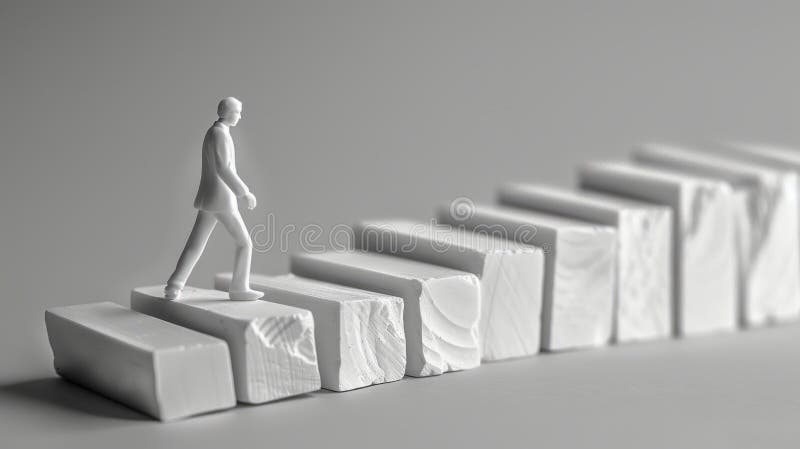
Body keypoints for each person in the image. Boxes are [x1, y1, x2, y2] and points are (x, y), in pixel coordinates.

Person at [164, 97, 264, 301]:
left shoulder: (215, 132)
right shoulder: (220, 134)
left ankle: (174, 286)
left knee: (195, 244)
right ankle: (238, 288)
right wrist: (244, 192)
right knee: (244, 243)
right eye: (237, 112)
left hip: (210, 198)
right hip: (222, 198)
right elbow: (223, 168)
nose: (240, 116)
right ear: (226, 113)